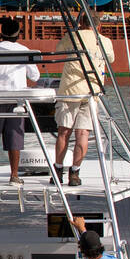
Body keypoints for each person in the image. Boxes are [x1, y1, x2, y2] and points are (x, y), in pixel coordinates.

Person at [52, 12, 115, 186]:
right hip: (91, 92)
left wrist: (74, 31)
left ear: (80, 23)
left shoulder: (72, 36)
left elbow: (58, 50)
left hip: (70, 91)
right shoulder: (105, 41)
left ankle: (58, 170)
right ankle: (75, 173)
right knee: (83, 134)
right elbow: (111, 59)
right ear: (99, 25)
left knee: (64, 132)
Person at [0, 15, 39, 185]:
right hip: (16, 101)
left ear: (2, 33)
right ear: (18, 34)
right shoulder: (24, 50)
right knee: (15, 139)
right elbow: (35, 76)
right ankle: (14, 176)